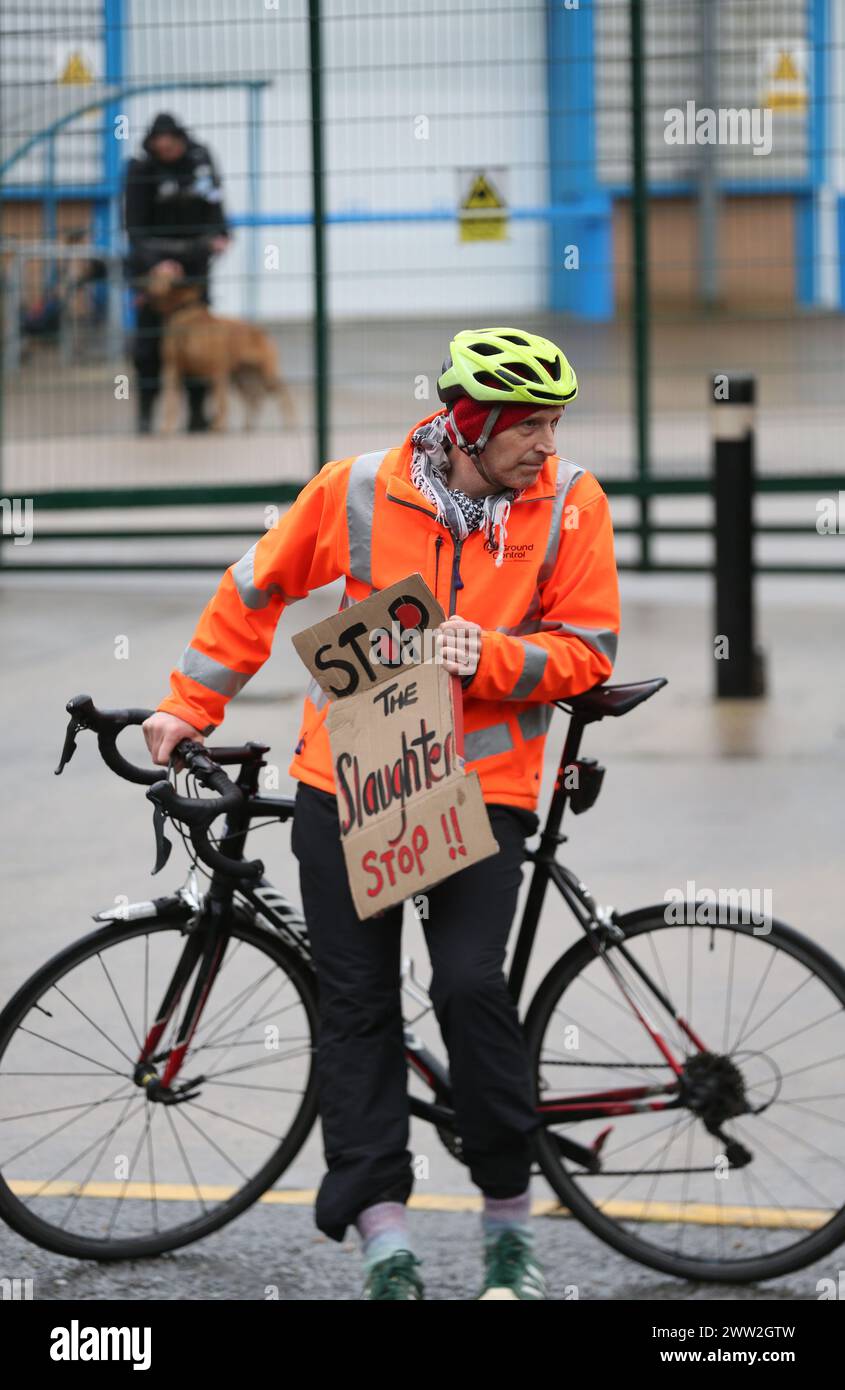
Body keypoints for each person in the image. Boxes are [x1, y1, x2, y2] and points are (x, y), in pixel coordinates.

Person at [142, 327, 621, 1299]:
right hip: (350, 784)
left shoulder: (571, 504)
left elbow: (588, 648)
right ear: (467, 422)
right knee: (355, 1009)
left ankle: (505, 1225)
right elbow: (255, 587)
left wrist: (482, 655)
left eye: (553, 424)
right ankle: (384, 1238)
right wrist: (185, 704)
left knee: (466, 987)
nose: (544, 444)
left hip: (480, 794)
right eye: (526, 425)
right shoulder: (355, 486)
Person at [122, 112, 231, 434]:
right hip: (156, 272)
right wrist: (155, 262)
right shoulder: (141, 169)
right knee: (149, 347)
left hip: (195, 268)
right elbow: (134, 225)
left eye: (171, 145)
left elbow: (216, 204)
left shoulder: (199, 162)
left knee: (199, 346)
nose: (166, 151)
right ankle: (146, 415)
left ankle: (198, 415)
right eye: (160, 146)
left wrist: (221, 234)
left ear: (181, 141)